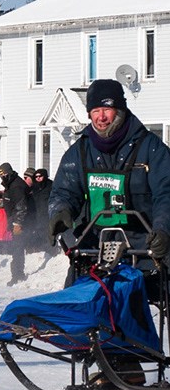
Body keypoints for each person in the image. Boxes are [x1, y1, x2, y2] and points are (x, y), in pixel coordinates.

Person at [49, 77, 170, 275]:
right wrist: (60, 211)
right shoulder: (79, 151)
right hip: (95, 249)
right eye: (95, 111)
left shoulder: (151, 148)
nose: (101, 117)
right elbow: (64, 191)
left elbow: (166, 192)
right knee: (78, 289)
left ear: (120, 110)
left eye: (107, 109)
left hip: (145, 250)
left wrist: (163, 229)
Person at [0, 163, 28, 284]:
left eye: (5, 174)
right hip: (13, 220)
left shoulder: (17, 186)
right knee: (15, 248)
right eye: (1, 175)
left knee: (17, 249)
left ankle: (17, 275)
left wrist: (17, 224)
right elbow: (10, 202)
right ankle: (18, 273)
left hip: (19, 222)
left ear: (10, 172)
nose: (3, 176)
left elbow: (21, 206)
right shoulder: (10, 185)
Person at [28, 167, 53, 253]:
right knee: (37, 235)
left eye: (40, 176)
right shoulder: (33, 188)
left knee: (47, 235)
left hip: (47, 215)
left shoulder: (50, 186)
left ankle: (49, 252)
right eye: (36, 177)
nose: (38, 178)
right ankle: (37, 251)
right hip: (36, 215)